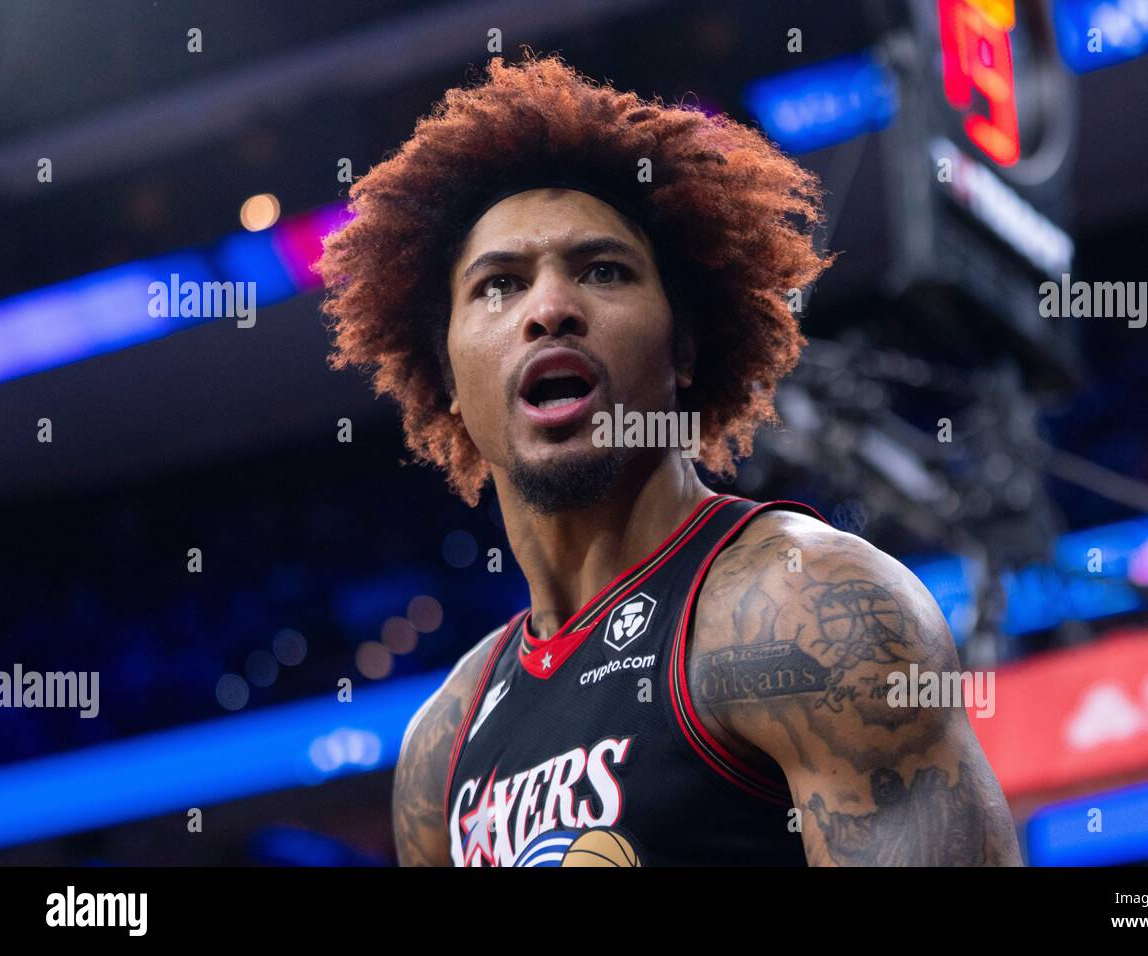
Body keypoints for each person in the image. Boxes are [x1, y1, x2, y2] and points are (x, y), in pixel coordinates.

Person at [318, 53, 1021, 867]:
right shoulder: (442, 748)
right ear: (444, 375)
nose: (550, 309)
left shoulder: (808, 611)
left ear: (684, 346)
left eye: (603, 271)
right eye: (500, 285)